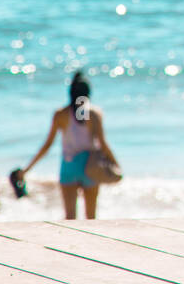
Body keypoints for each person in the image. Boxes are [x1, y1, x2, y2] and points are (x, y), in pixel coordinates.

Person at [19, 71, 115, 220]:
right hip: (90, 166)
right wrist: (115, 163)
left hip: (69, 166)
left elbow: (47, 145)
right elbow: (103, 144)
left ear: (70, 93)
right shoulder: (95, 114)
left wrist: (27, 169)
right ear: (88, 93)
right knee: (91, 218)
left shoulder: (60, 114)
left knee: (70, 218)